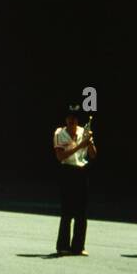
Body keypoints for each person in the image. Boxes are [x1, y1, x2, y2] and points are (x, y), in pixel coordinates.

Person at [53, 105, 96, 256]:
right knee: (67, 211)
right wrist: (80, 146)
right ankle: (63, 246)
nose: (71, 120)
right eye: (69, 117)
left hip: (81, 172)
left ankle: (78, 247)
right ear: (66, 119)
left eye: (74, 117)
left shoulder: (84, 132)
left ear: (78, 120)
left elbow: (93, 155)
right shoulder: (59, 133)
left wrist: (89, 142)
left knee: (81, 213)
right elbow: (60, 157)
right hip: (67, 172)